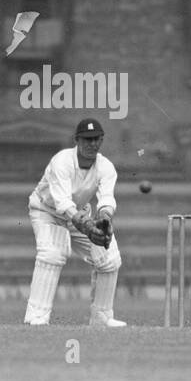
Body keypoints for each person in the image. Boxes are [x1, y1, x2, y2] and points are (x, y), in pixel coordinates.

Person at [22, 118, 125, 328]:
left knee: (109, 259)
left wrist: (104, 219)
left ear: (102, 140)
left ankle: (102, 317)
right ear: (77, 140)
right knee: (53, 253)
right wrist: (87, 226)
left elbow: (106, 198)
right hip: (47, 211)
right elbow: (62, 202)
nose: (92, 144)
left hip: (79, 214)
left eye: (96, 139)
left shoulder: (105, 166)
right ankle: (36, 317)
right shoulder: (62, 161)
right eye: (87, 139)